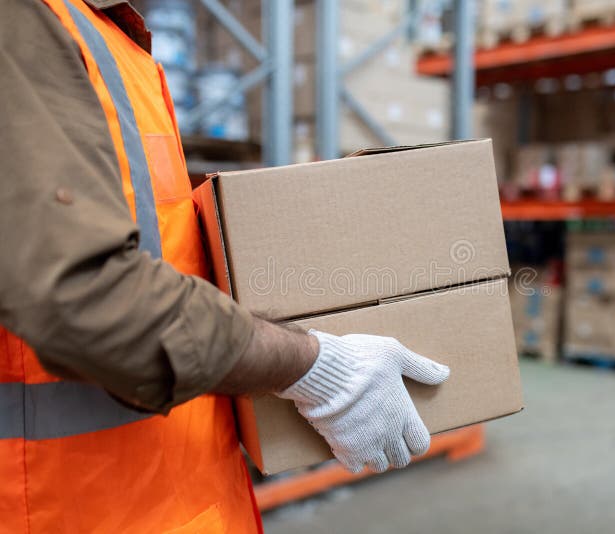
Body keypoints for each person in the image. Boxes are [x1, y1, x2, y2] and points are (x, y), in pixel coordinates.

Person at [0, 1, 449, 532]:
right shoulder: (25, 20)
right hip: (62, 510)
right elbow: (85, 298)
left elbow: (158, 254)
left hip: (177, 495)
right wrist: (318, 368)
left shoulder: (108, 35)